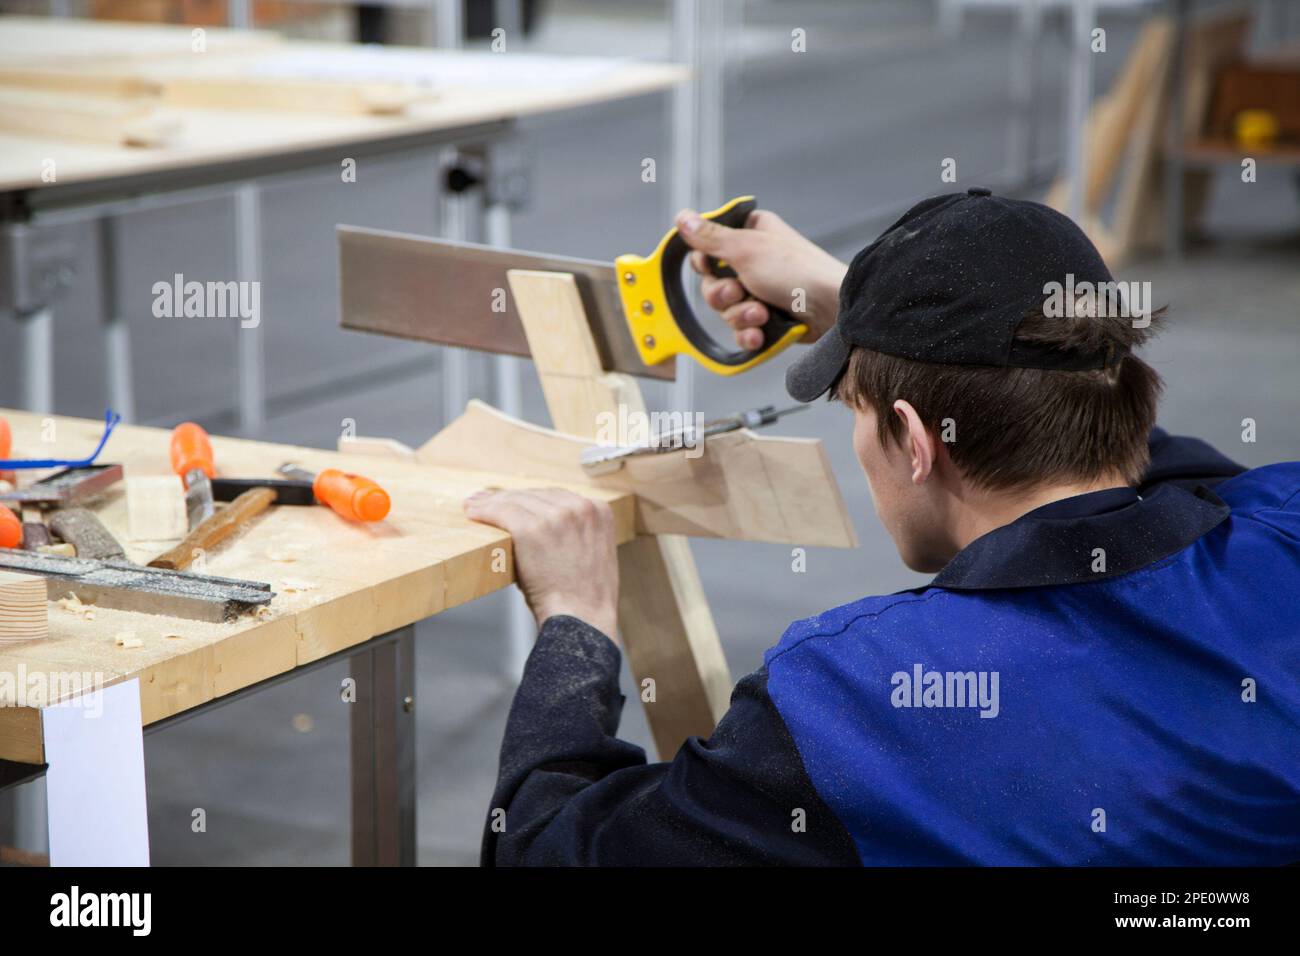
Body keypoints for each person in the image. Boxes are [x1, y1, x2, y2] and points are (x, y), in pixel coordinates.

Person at [464, 189, 1300, 865]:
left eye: (855, 411)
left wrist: (576, 622)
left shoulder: (853, 707)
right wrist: (875, 308)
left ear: (915, 441)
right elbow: (1128, 452)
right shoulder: (1280, 527)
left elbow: (540, 853)